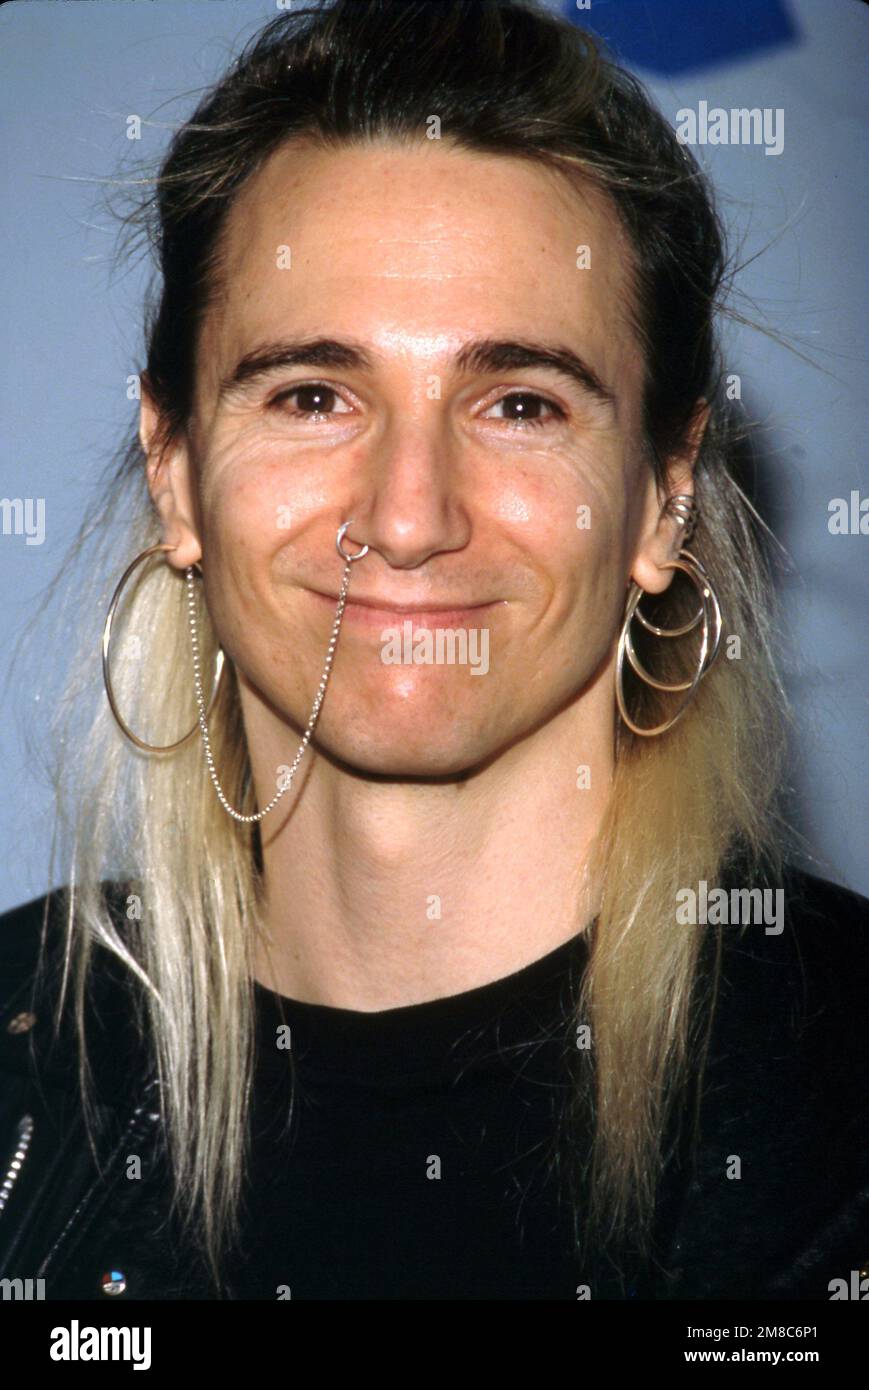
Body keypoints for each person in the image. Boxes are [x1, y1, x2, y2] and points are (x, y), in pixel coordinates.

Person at [0, 0, 866, 1302]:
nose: (408, 517)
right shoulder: (21, 1055)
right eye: (310, 394)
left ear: (661, 496)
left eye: (519, 401)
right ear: (175, 469)